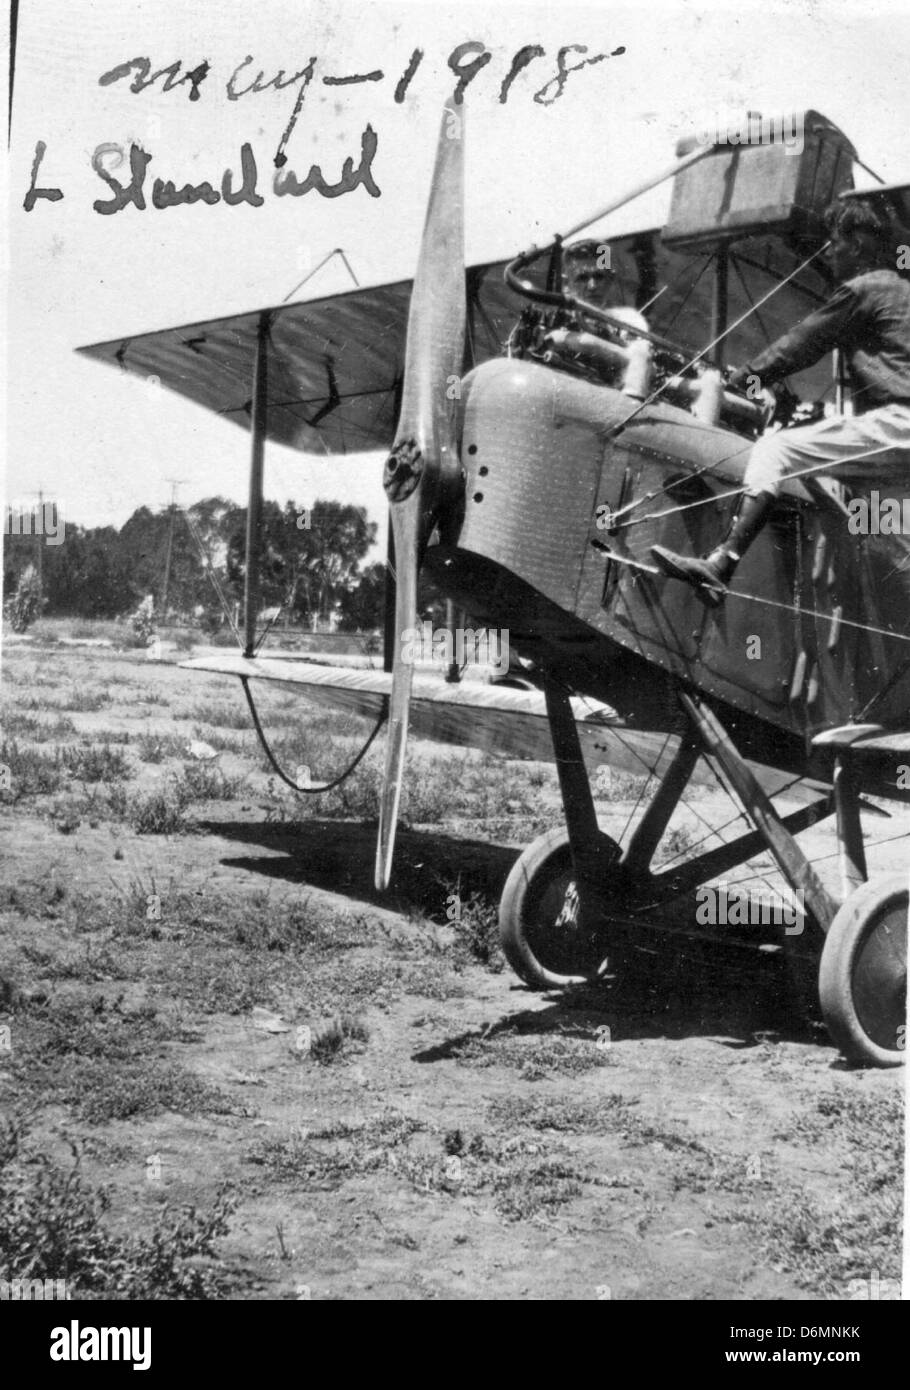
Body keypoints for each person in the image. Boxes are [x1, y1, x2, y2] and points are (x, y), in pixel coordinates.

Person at [650, 200, 910, 605]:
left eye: (835, 242)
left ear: (857, 245)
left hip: (900, 424)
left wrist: (742, 379)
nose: (828, 251)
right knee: (875, 515)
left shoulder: (866, 288)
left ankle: (722, 563)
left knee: (778, 448)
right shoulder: (903, 291)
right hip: (900, 444)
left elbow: (799, 347)